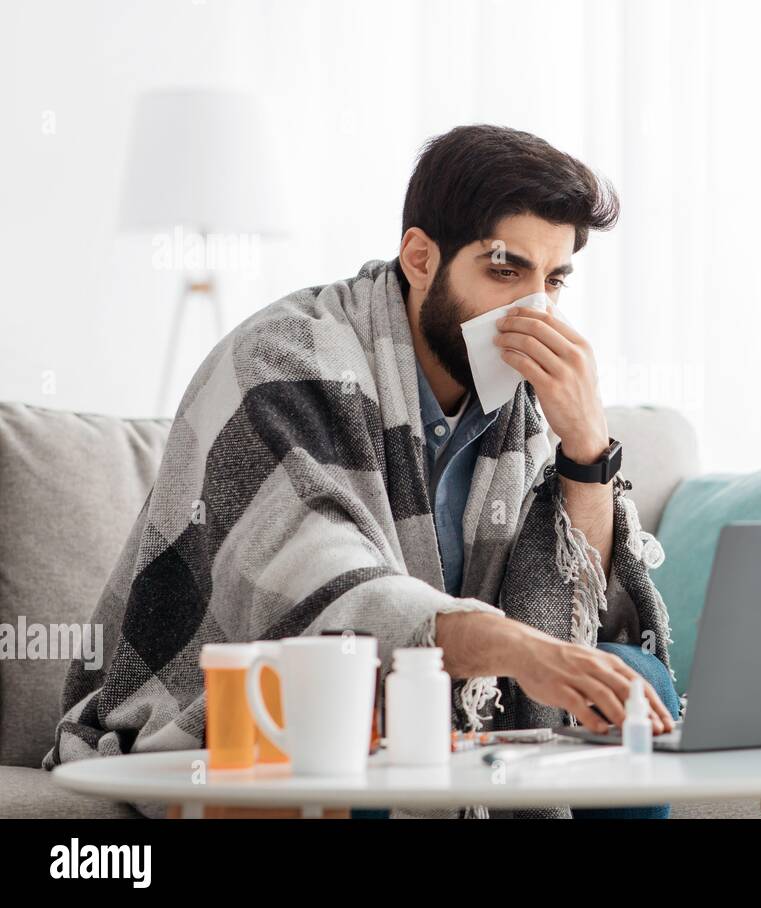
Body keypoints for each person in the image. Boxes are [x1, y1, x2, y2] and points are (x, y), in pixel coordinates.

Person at [44, 124, 679, 819]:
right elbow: (321, 587)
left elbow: (585, 620)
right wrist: (516, 649)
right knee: (341, 706)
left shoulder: (524, 402)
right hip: (265, 702)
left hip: (452, 712)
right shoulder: (282, 361)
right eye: (505, 271)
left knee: (638, 683)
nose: (534, 309)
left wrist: (587, 450)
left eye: (553, 280)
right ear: (420, 258)